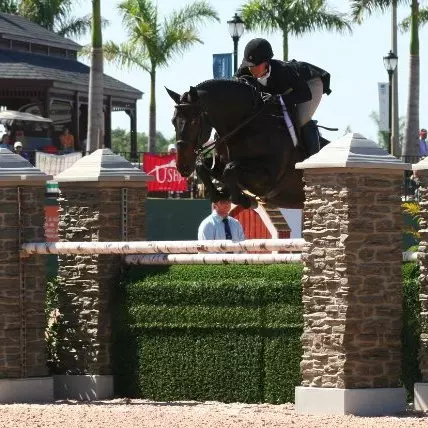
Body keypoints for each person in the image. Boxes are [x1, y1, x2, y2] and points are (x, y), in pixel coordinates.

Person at [235, 38, 331, 157]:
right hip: (285, 89)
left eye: (255, 66)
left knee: (301, 119)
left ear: (266, 63)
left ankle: (313, 160)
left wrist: (278, 99)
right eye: (249, 66)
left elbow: (305, 94)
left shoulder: (283, 71)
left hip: (309, 84)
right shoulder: (245, 71)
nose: (251, 70)